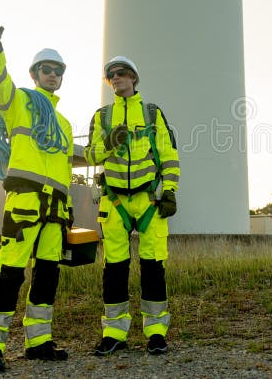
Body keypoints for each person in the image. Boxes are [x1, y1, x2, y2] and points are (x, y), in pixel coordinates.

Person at [0, 19, 75, 373]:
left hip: (55, 209)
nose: (52, 75)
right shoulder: (18, 102)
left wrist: (106, 148)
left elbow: (69, 160)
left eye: (57, 71)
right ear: (34, 74)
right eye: (46, 70)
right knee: (10, 275)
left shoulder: (62, 124)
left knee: (47, 276)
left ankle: (39, 342)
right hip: (24, 204)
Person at [84, 55, 180, 356]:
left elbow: (169, 154)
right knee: (114, 269)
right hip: (114, 202)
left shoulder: (152, 114)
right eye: (111, 75)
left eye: (122, 74)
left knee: (153, 267)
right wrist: (109, 142)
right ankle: (114, 333)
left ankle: (156, 334)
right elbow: (90, 156)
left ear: (134, 78)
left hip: (148, 199)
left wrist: (171, 191)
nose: (116, 79)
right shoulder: (102, 117)